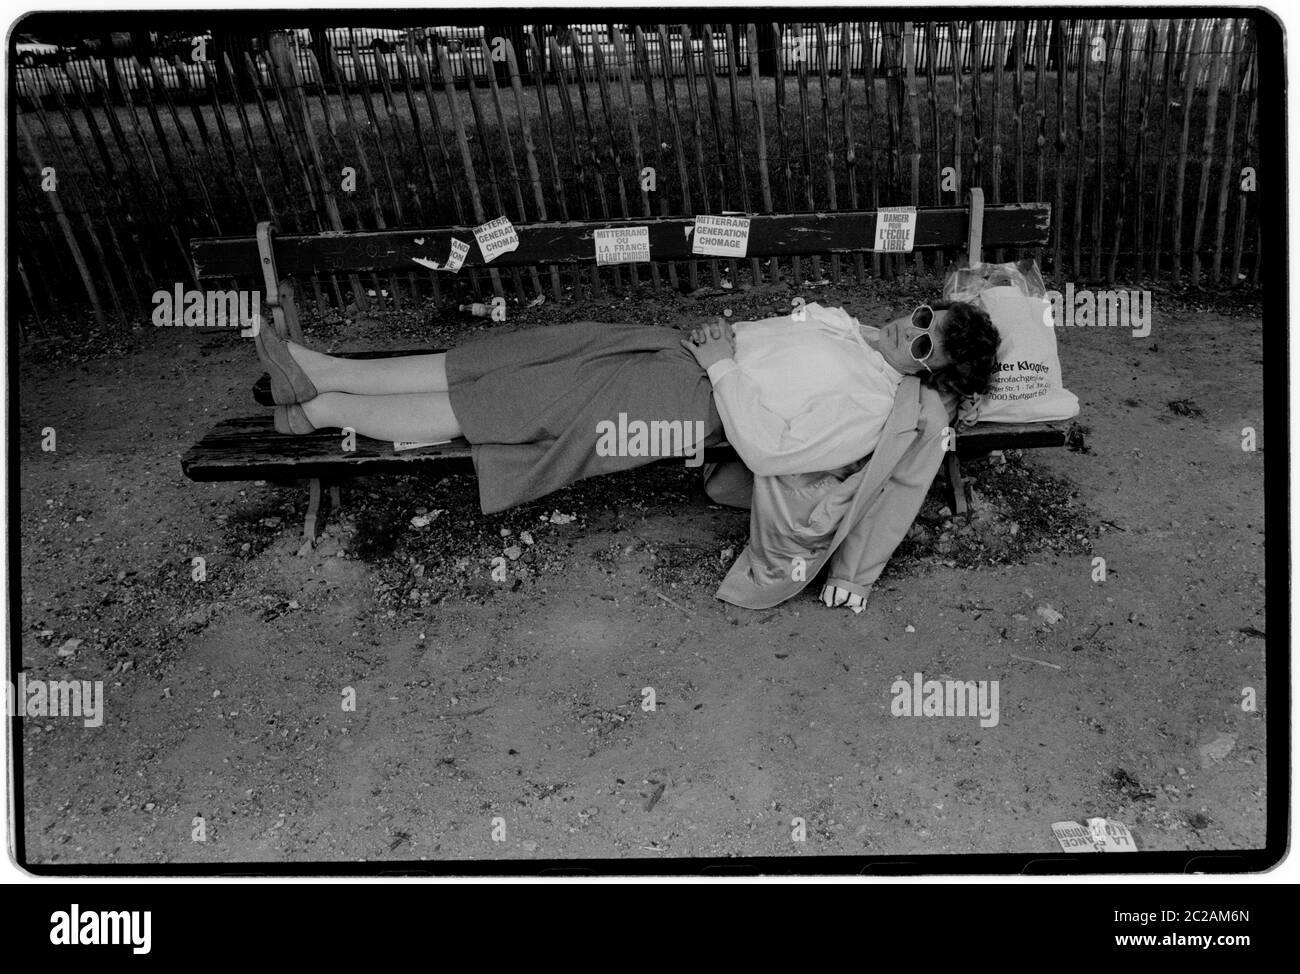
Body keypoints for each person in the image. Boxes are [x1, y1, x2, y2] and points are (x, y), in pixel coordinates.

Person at [255, 300, 1000, 606]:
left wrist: (724, 367)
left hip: (685, 402)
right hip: (675, 357)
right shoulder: (847, 326)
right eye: (925, 315)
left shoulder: (875, 406)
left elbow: (771, 450)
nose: (914, 330)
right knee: (518, 357)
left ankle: (321, 407)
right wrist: (722, 348)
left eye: (927, 345)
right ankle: (324, 371)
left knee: (522, 406)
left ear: (931, 373)